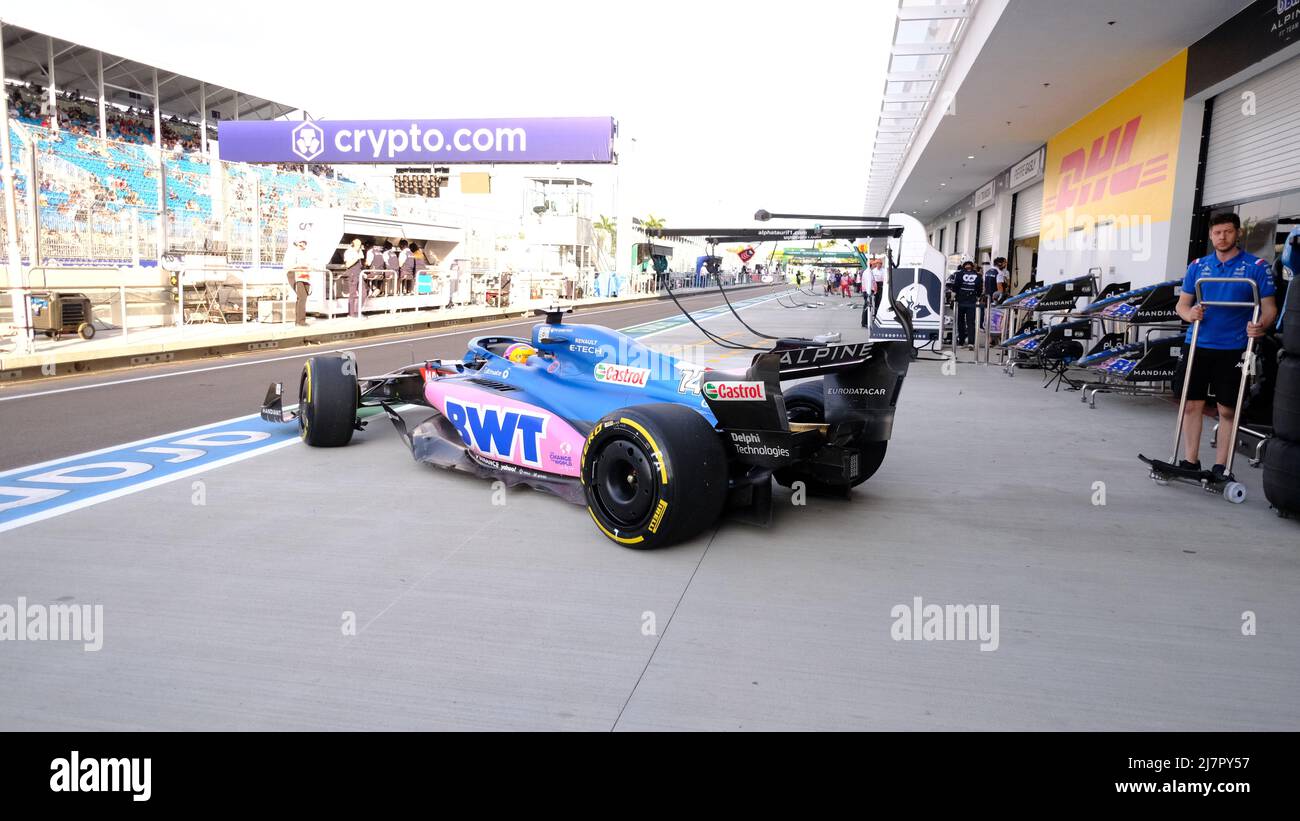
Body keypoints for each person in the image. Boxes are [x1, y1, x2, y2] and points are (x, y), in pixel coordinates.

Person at [1173, 211, 1278, 478]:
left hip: (1234, 346)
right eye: (1218, 232)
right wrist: (1189, 314)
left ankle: (1222, 467)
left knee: (1227, 409)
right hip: (1198, 343)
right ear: (1210, 235)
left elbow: (1269, 309)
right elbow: (1182, 304)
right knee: (1191, 404)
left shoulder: (1256, 266)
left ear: (1237, 233)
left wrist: (1261, 326)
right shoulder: (1198, 266)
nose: (1223, 237)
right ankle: (1190, 461)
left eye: (1228, 232)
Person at [953, 259, 982, 348]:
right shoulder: (978, 275)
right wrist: (977, 295)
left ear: (963, 265)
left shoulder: (959, 274)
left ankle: (961, 341)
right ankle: (971, 342)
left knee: (960, 322)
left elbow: (955, 287)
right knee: (971, 322)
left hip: (961, 301)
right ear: (972, 266)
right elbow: (979, 289)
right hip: (972, 301)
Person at [283, 239, 312, 326]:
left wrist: (308, 266)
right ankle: (300, 321)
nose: (303, 245)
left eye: (304, 243)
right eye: (301, 243)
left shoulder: (306, 252)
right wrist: (299, 265)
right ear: (296, 243)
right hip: (295, 275)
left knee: (303, 297)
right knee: (302, 297)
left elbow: (309, 264)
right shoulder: (292, 252)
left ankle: (299, 321)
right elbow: (288, 265)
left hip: (305, 276)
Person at [343, 238, 365, 318]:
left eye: (360, 245)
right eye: (357, 245)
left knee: (364, 293)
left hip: (359, 273)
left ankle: (359, 311)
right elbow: (347, 265)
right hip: (352, 273)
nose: (359, 247)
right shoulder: (349, 252)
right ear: (353, 244)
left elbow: (361, 263)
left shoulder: (359, 251)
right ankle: (351, 314)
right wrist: (356, 258)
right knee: (352, 294)